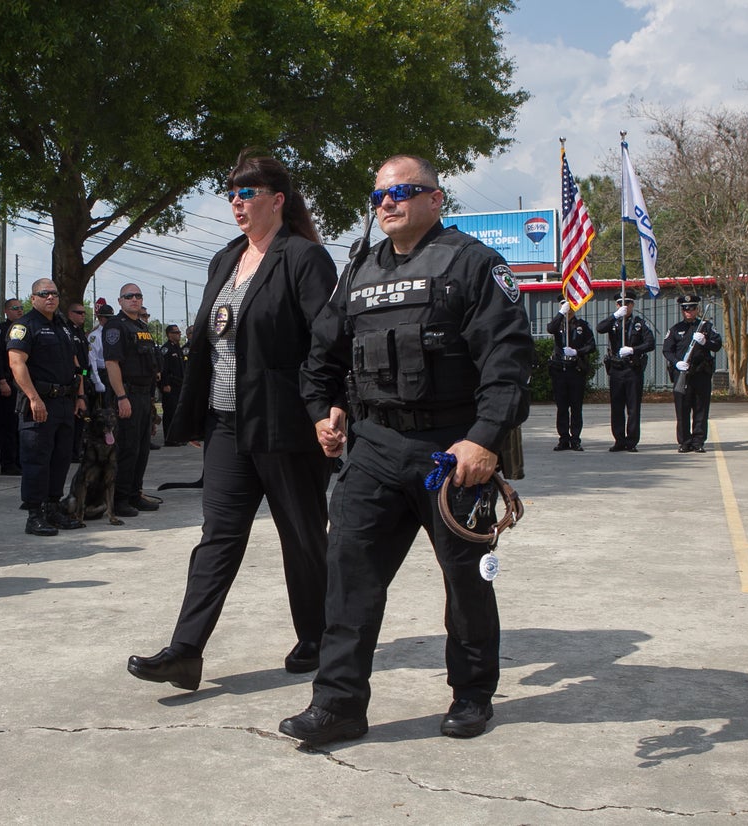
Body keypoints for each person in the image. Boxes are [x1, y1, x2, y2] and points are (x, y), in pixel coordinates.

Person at [277, 154, 533, 746]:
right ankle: (338, 704)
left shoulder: (473, 264)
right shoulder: (359, 271)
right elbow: (322, 356)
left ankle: (472, 695)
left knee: (466, 581)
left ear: (436, 199)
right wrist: (323, 410)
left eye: (403, 191)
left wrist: (484, 440)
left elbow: (508, 363)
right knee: (349, 578)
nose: (387, 203)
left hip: (451, 453)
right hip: (374, 449)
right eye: (379, 196)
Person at [127, 152, 336, 692]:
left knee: (302, 536)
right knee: (217, 537)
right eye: (231, 194)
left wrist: (327, 409)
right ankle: (185, 652)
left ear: (277, 199)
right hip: (226, 425)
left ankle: (318, 635)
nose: (236, 203)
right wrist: (195, 413)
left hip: (286, 425)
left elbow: (327, 342)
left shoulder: (304, 257)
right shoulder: (225, 259)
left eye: (247, 193)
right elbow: (208, 344)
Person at [7, 278, 87, 536]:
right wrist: (33, 397)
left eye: (54, 293)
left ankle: (53, 508)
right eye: (44, 294)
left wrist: (80, 395)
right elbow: (16, 364)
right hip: (39, 402)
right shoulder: (24, 326)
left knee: (61, 459)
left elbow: (76, 364)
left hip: (65, 401)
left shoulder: (63, 326)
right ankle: (35, 515)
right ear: (33, 298)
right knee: (37, 460)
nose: (50, 297)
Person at [103, 284, 160, 516]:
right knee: (127, 448)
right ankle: (120, 498)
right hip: (128, 394)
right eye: (129, 296)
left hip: (144, 395)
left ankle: (135, 494)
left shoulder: (141, 326)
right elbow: (111, 363)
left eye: (138, 296)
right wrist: (121, 396)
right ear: (120, 301)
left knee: (142, 449)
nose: (134, 299)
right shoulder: (116, 326)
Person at [662, 292, 723, 453]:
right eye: (685, 309)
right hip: (682, 374)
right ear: (682, 310)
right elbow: (667, 350)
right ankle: (684, 442)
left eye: (692, 309)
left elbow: (717, 345)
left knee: (701, 409)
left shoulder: (706, 327)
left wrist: (705, 341)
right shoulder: (676, 329)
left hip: (701, 373)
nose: (688, 312)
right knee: (682, 409)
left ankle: (698, 442)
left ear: (697, 309)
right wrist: (677, 363)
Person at [596, 289, 655, 452]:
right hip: (616, 369)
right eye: (620, 303)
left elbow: (650, 343)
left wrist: (633, 350)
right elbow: (600, 328)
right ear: (617, 305)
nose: (624, 306)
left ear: (632, 305)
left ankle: (631, 441)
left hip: (632, 369)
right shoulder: (613, 322)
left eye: (627, 303)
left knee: (633, 407)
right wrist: (615, 316)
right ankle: (619, 440)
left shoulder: (639, 323)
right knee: (616, 407)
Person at [547, 300, 596, 451]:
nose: (568, 308)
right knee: (562, 407)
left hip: (575, 370)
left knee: (576, 406)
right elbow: (550, 329)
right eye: (564, 304)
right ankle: (563, 439)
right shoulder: (558, 324)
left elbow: (591, 345)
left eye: (569, 305)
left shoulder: (582, 325)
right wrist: (561, 313)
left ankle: (575, 439)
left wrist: (577, 352)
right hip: (560, 370)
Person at [0, 298, 25, 475]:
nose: (19, 311)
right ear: (6, 311)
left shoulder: (24, 329)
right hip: (7, 381)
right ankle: (8, 463)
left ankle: (19, 460)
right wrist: (2, 380)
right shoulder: (0, 331)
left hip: (22, 383)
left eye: (21, 308)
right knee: (8, 425)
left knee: (20, 425)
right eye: (15, 308)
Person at [65, 301, 92, 462]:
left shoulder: (80, 332)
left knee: (81, 418)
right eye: (79, 313)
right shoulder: (67, 331)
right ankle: (72, 452)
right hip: (74, 379)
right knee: (74, 418)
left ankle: (77, 449)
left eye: (84, 313)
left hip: (84, 378)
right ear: (70, 314)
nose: (83, 315)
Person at [159, 324, 186, 445]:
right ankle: (169, 439)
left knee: (177, 412)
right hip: (170, 385)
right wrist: (165, 384)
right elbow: (163, 368)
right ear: (169, 334)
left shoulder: (177, 348)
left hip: (179, 384)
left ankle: (177, 437)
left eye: (179, 332)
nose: (179, 334)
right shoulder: (166, 349)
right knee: (170, 412)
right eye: (176, 332)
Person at [86, 304, 113, 405]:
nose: (110, 320)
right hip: (102, 373)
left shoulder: (114, 333)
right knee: (104, 406)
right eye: (107, 318)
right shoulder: (95, 336)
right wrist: (97, 381)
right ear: (100, 318)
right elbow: (92, 360)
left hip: (113, 372)